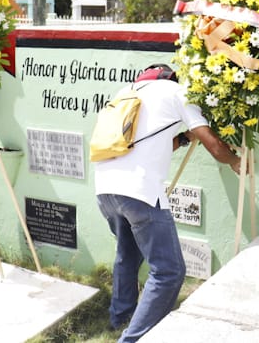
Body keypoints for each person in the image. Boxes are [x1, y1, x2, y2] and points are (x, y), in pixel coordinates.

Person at [94, 64, 242, 342]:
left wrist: (185, 137)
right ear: (172, 78)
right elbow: (213, 144)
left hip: (105, 190)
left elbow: (143, 144)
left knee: (128, 256)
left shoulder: (124, 93)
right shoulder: (177, 92)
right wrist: (235, 161)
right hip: (140, 193)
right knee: (169, 271)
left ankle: (120, 319)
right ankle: (132, 339)